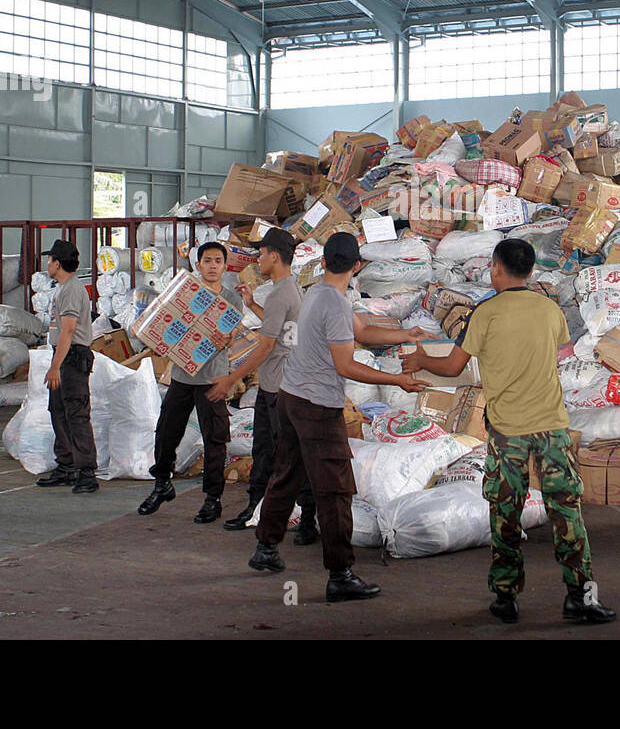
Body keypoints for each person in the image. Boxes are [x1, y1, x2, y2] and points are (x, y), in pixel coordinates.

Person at [403, 238, 616, 625]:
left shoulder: (484, 314)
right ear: (531, 271)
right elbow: (554, 351)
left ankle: (505, 598)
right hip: (552, 428)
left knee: (505, 513)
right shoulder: (551, 311)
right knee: (567, 512)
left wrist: (419, 358)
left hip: (507, 432)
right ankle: (581, 597)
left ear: (496, 269)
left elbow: (452, 368)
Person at [248, 232, 426, 602]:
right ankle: (340, 574)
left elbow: (360, 331)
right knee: (335, 491)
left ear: (325, 262)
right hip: (316, 408)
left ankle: (265, 548)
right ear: (358, 265)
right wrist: (397, 379)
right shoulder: (335, 304)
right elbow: (346, 365)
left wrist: (404, 332)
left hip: (291, 398)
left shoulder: (319, 293)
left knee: (286, 475)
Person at [216, 228, 317, 540]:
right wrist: (251, 305)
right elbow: (280, 326)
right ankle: (263, 510)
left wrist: (232, 378)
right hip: (281, 385)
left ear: (274, 256)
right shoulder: (289, 290)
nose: (257, 259)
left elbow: (265, 347)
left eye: (261, 254)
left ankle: (299, 517)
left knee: (279, 453)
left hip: (277, 388)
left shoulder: (279, 294)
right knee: (272, 450)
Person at [138, 241, 234, 523]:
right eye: (207, 260)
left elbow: (231, 334)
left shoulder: (231, 299)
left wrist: (225, 339)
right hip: (182, 375)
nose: (213, 265)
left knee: (214, 438)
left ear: (225, 266)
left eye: (218, 261)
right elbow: (166, 326)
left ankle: (213, 498)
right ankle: (162, 484)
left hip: (212, 378)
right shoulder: (185, 294)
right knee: (166, 431)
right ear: (198, 264)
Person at [35, 239, 99, 494]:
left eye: (49, 260)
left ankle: (86, 472)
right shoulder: (62, 288)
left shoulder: (71, 289)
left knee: (76, 414)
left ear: (57, 263)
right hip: (63, 356)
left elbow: (68, 331)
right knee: (58, 411)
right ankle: (67, 465)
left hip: (71, 358)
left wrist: (55, 366)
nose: (47, 264)